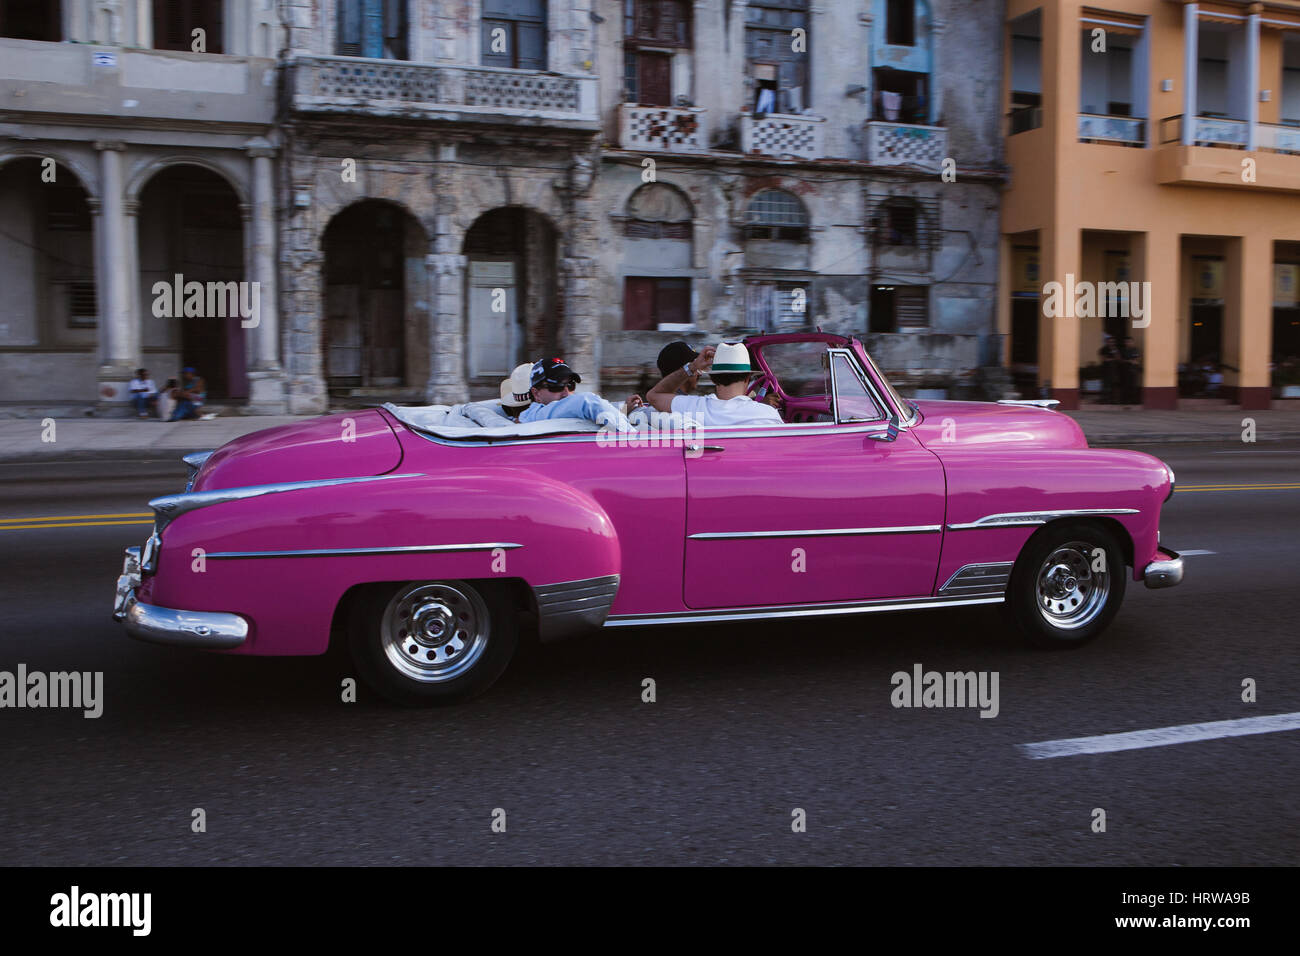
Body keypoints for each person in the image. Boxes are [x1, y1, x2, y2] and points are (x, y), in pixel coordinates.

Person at [647, 342, 784, 426]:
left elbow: (653, 396)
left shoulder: (695, 408)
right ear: (748, 378)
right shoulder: (768, 414)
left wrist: (693, 367)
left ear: (713, 379)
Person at [518, 358, 628, 428]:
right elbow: (586, 402)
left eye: (571, 385)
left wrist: (624, 408)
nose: (566, 393)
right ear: (536, 394)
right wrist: (632, 436)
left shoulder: (555, 411)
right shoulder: (533, 415)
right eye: (556, 386)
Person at [627, 341, 700, 413]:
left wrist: (624, 411)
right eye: (693, 369)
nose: (700, 374)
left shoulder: (649, 406)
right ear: (682, 372)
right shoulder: (684, 408)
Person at [1098, 334, 1121, 404]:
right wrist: (1112, 359)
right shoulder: (1103, 349)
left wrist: (1114, 352)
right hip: (1105, 370)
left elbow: (1119, 359)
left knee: (1114, 385)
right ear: (1107, 342)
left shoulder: (1115, 349)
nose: (1111, 343)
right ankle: (1105, 400)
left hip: (1114, 370)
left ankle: (1114, 400)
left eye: (1113, 342)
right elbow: (1103, 359)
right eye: (1110, 342)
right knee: (1106, 385)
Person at [1119, 335, 1141, 405]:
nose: (1128, 343)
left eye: (1130, 342)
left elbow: (1137, 360)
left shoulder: (1135, 350)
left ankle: (1134, 401)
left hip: (1134, 371)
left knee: (1134, 385)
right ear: (1125, 343)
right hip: (1125, 371)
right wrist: (1129, 361)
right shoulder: (1123, 350)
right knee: (1126, 386)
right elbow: (1121, 360)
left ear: (1133, 342)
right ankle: (1125, 401)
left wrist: (1129, 361)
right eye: (1127, 342)